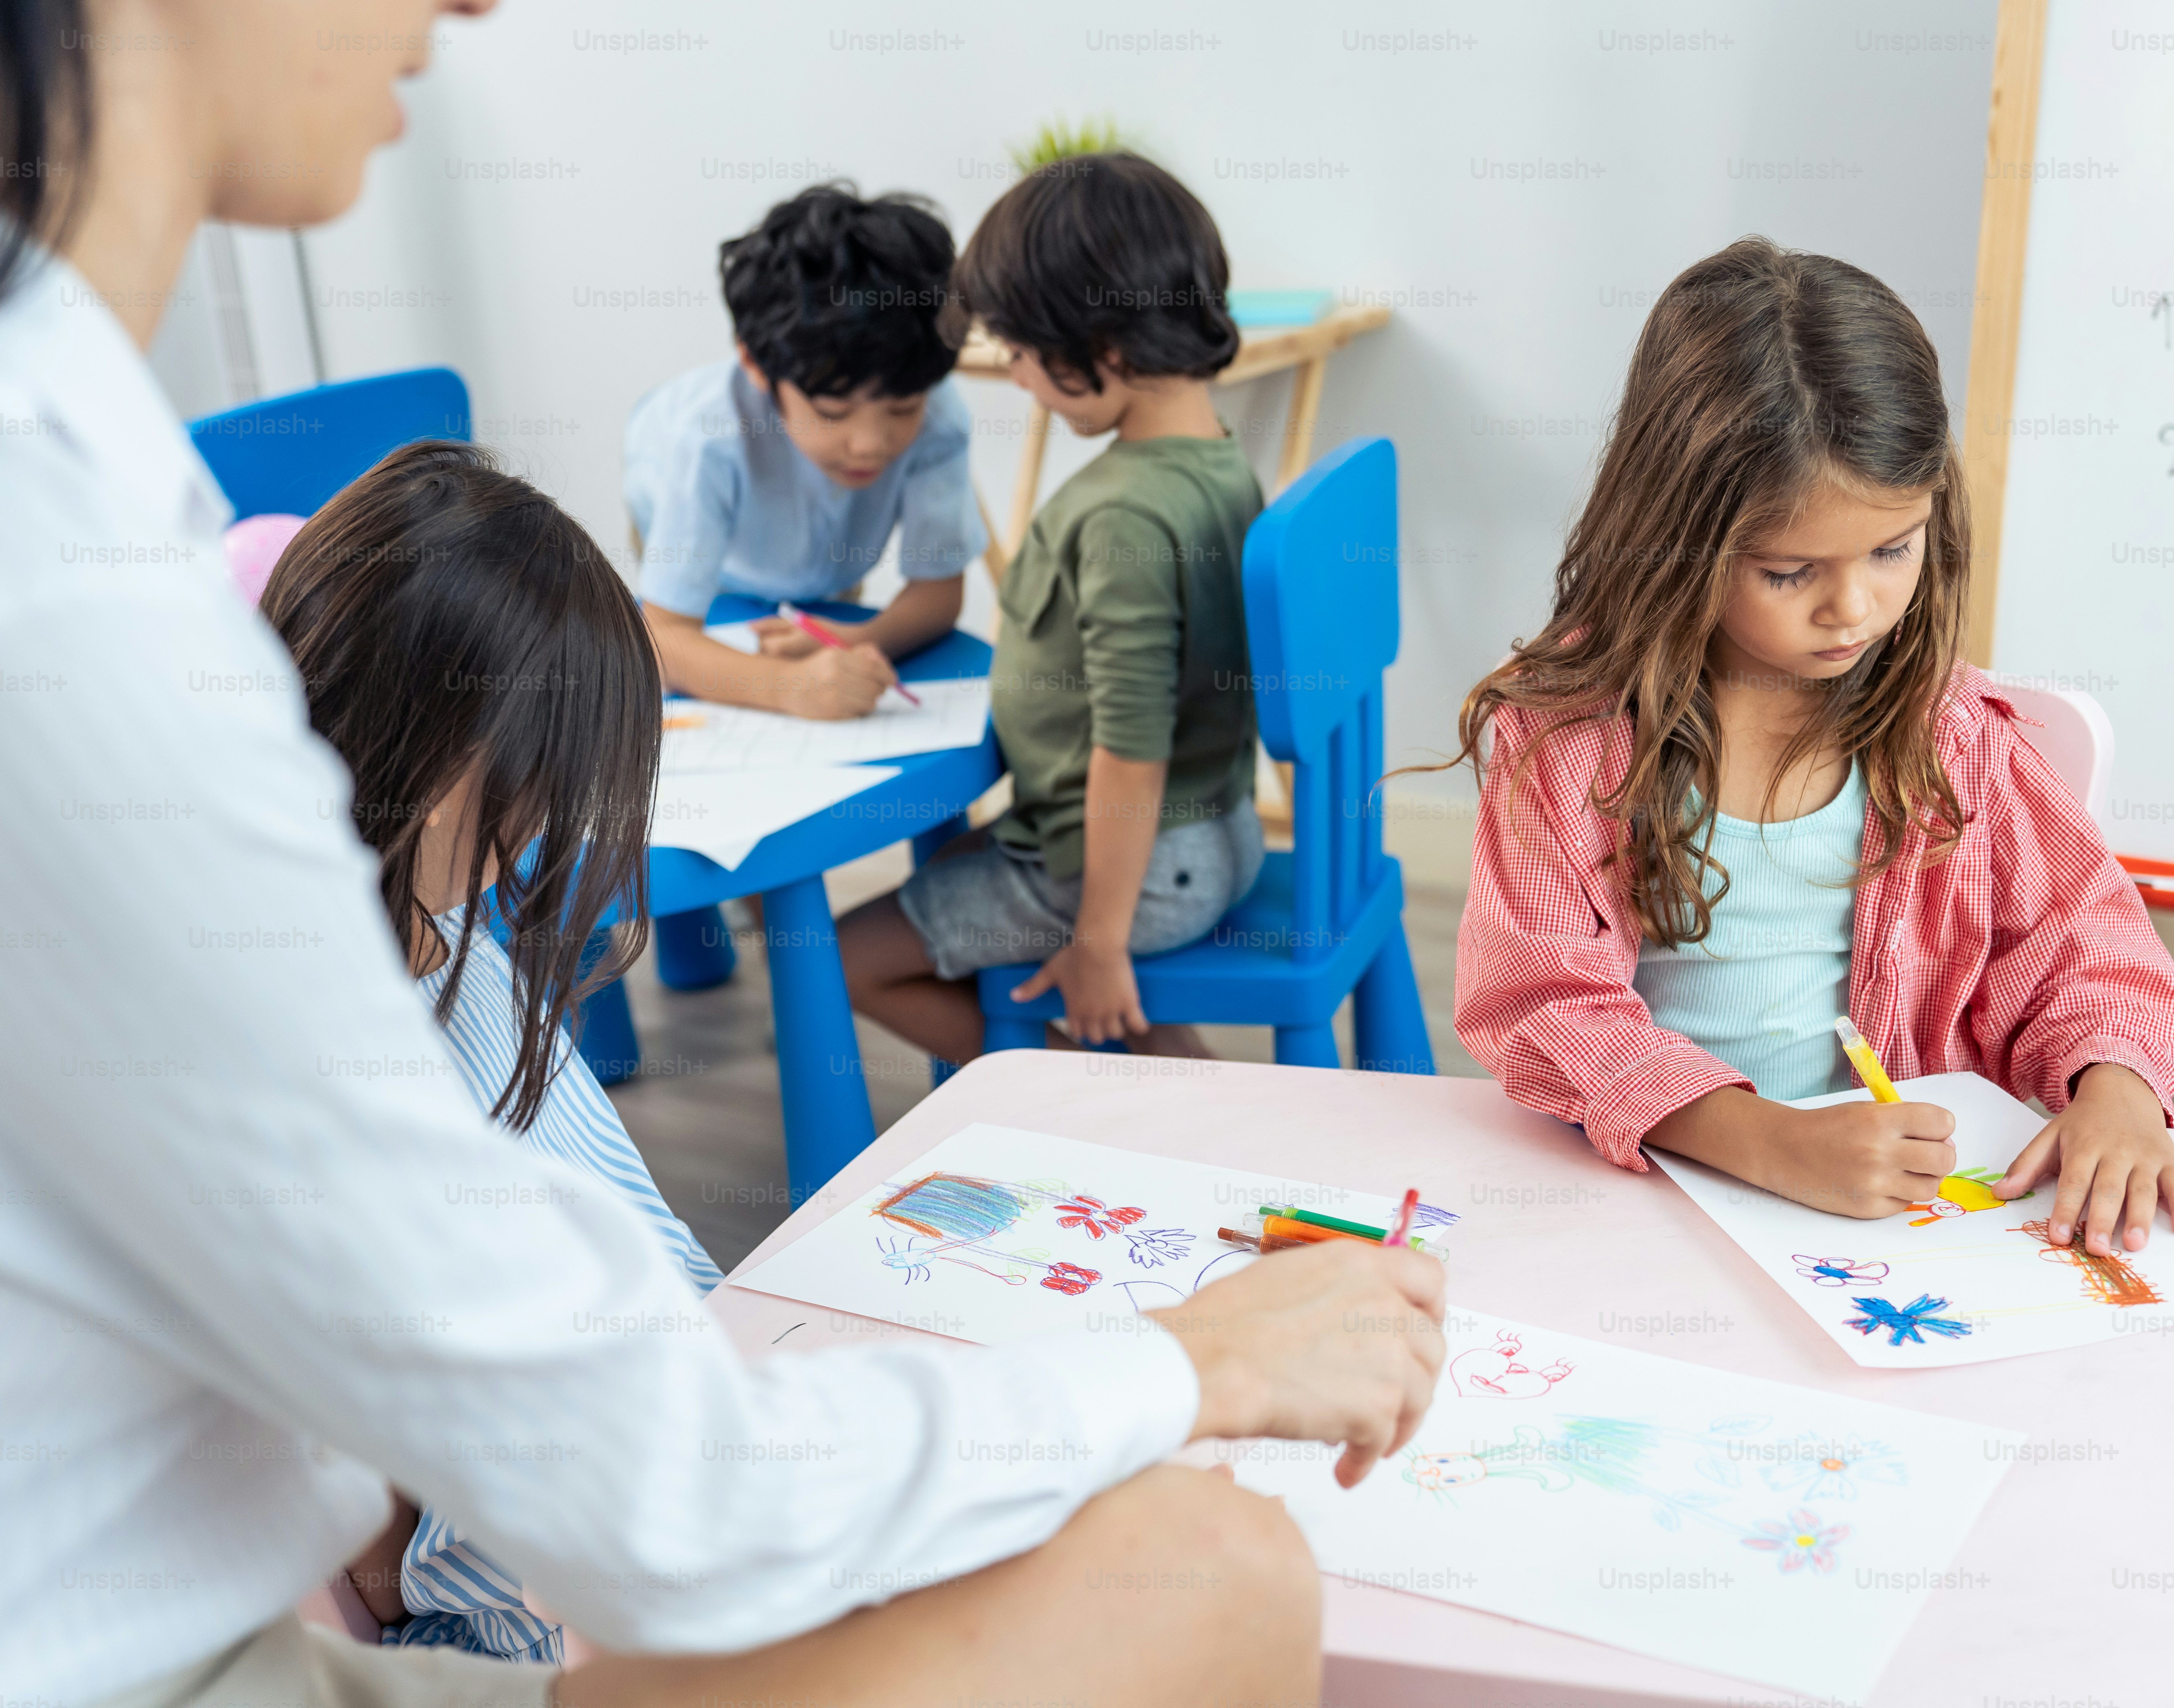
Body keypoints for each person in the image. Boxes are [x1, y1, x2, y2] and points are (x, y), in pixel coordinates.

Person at [0, 8, 1443, 1708]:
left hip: (353, 1565)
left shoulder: (103, 515)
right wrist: (1181, 1365)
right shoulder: (80, 619)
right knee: (1203, 1574)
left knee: (1170, 1557)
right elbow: (654, 1498)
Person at [1451, 238, 2174, 1257]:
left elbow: (2086, 947)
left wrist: (2113, 1084)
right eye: (1789, 570)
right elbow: (1539, 998)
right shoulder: (1569, 744)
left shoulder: (1952, 740)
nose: (1852, 608)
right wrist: (1760, 1139)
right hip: (1644, 1187)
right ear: (1675, 533)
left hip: (1881, 1217)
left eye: (1891, 551)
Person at [260, 441, 725, 1657]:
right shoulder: (301, 1070)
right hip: (558, 1623)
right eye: (539, 781)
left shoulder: (455, 936)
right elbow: (392, 1538)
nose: (546, 821)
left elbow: (641, 1244)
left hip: (667, 1482)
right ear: (427, 745)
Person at [834, 152, 1263, 1060]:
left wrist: (1099, 942)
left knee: (839, 958)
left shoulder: (1123, 513)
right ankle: (1186, 1102)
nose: (1020, 380)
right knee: (954, 878)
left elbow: (1131, 748)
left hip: (1137, 872)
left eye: (1024, 355)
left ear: (1101, 350)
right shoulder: (1218, 461)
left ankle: (1081, 1112)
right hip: (1215, 831)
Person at [627, 183, 981, 720]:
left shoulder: (939, 415)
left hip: (820, 560)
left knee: (822, 614)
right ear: (756, 366)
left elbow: (938, 592)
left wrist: (861, 640)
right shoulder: (704, 439)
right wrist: (788, 686)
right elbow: (663, 636)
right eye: (834, 410)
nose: (870, 443)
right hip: (711, 549)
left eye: (903, 407)